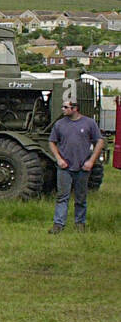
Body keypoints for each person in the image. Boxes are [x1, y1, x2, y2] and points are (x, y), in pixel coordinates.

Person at [48, 99, 104, 233]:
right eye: (63, 106)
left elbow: (100, 141)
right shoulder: (59, 124)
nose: (63, 109)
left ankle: (80, 224)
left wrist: (91, 161)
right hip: (64, 167)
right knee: (62, 196)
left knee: (81, 197)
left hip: (82, 167)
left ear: (75, 108)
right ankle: (58, 225)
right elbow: (52, 142)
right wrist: (59, 159)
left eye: (66, 107)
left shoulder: (89, 123)